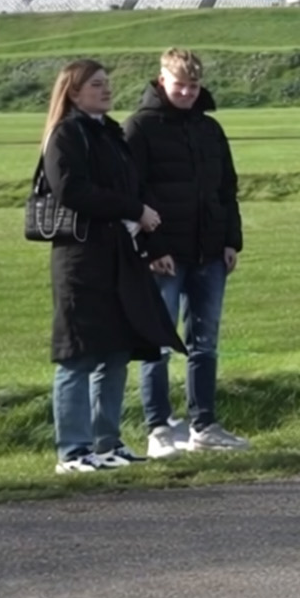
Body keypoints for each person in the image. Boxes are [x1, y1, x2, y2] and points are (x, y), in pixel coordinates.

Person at [41, 59, 185, 473]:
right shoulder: (67, 134)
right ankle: (72, 451)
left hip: (119, 256)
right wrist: (133, 208)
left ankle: (107, 443)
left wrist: (148, 232)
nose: (107, 90)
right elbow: (71, 190)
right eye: (97, 85)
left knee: (117, 352)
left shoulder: (108, 132)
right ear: (73, 91)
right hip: (81, 260)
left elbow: (133, 187)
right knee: (79, 356)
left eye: (107, 83)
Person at [123, 48, 250, 457]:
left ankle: (204, 425)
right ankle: (158, 428)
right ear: (162, 79)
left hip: (210, 251)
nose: (188, 93)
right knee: (158, 342)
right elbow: (133, 193)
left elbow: (227, 189)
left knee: (205, 342)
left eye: (194, 86)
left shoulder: (210, 129)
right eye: (180, 85)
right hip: (165, 255)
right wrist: (153, 247)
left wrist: (231, 240)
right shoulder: (139, 129)